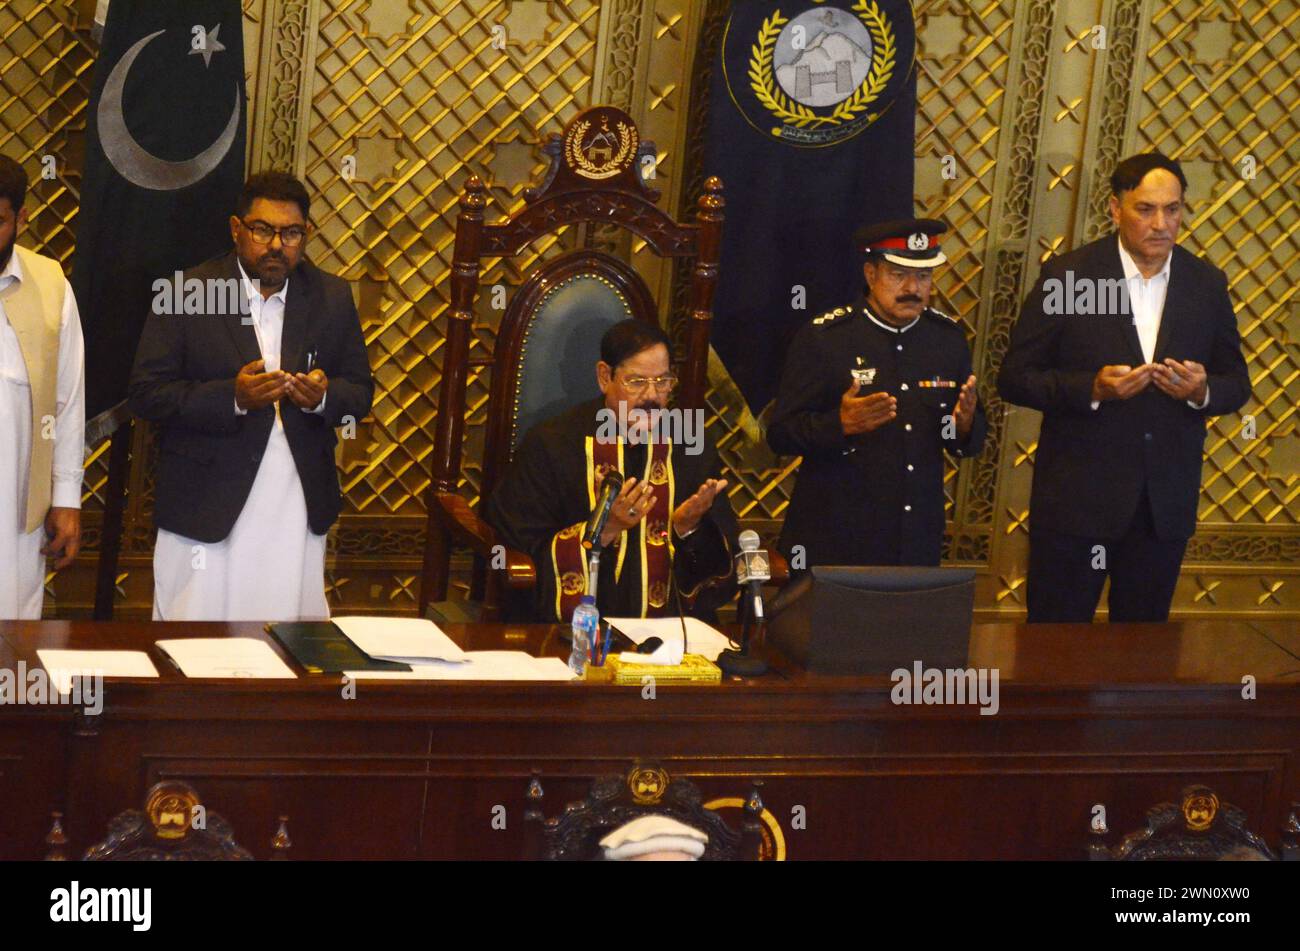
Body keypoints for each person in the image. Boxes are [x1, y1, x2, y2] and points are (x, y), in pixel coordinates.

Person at [997, 152, 1250, 623]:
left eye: (1172, 210)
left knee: (1142, 656)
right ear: (1115, 210)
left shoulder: (1205, 284)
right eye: (1145, 209)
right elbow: (1014, 377)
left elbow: (1236, 383)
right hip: (1077, 506)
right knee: (1057, 648)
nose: (1161, 223)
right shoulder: (1071, 278)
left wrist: (1201, 390)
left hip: (1161, 510)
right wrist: (1091, 388)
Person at [128, 171, 373, 621]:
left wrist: (321, 397)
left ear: (307, 234)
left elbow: (360, 392)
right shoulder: (187, 293)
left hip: (296, 502)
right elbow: (147, 394)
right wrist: (233, 398)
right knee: (195, 646)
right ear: (237, 229)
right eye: (263, 231)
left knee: (288, 647)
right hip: (207, 502)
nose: (277, 245)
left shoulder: (331, 297)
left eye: (291, 233)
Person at [768, 218, 985, 568]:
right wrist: (839, 424)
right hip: (835, 539)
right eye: (899, 275)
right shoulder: (826, 337)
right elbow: (780, 435)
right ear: (871, 275)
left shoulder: (947, 340)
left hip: (914, 540)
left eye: (924, 276)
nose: (913, 287)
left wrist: (962, 427)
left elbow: (967, 442)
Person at [486, 319, 737, 622]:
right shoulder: (552, 443)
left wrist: (689, 529)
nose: (651, 396)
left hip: (669, 633)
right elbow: (516, 544)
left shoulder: (690, 443)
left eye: (663, 382)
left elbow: (720, 573)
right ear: (605, 377)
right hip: (574, 631)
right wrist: (604, 530)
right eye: (636, 382)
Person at [0, 155, 84, 618]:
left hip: (17, 511)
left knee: (10, 632)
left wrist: (68, 499)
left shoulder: (51, 285)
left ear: (20, 219)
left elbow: (68, 401)